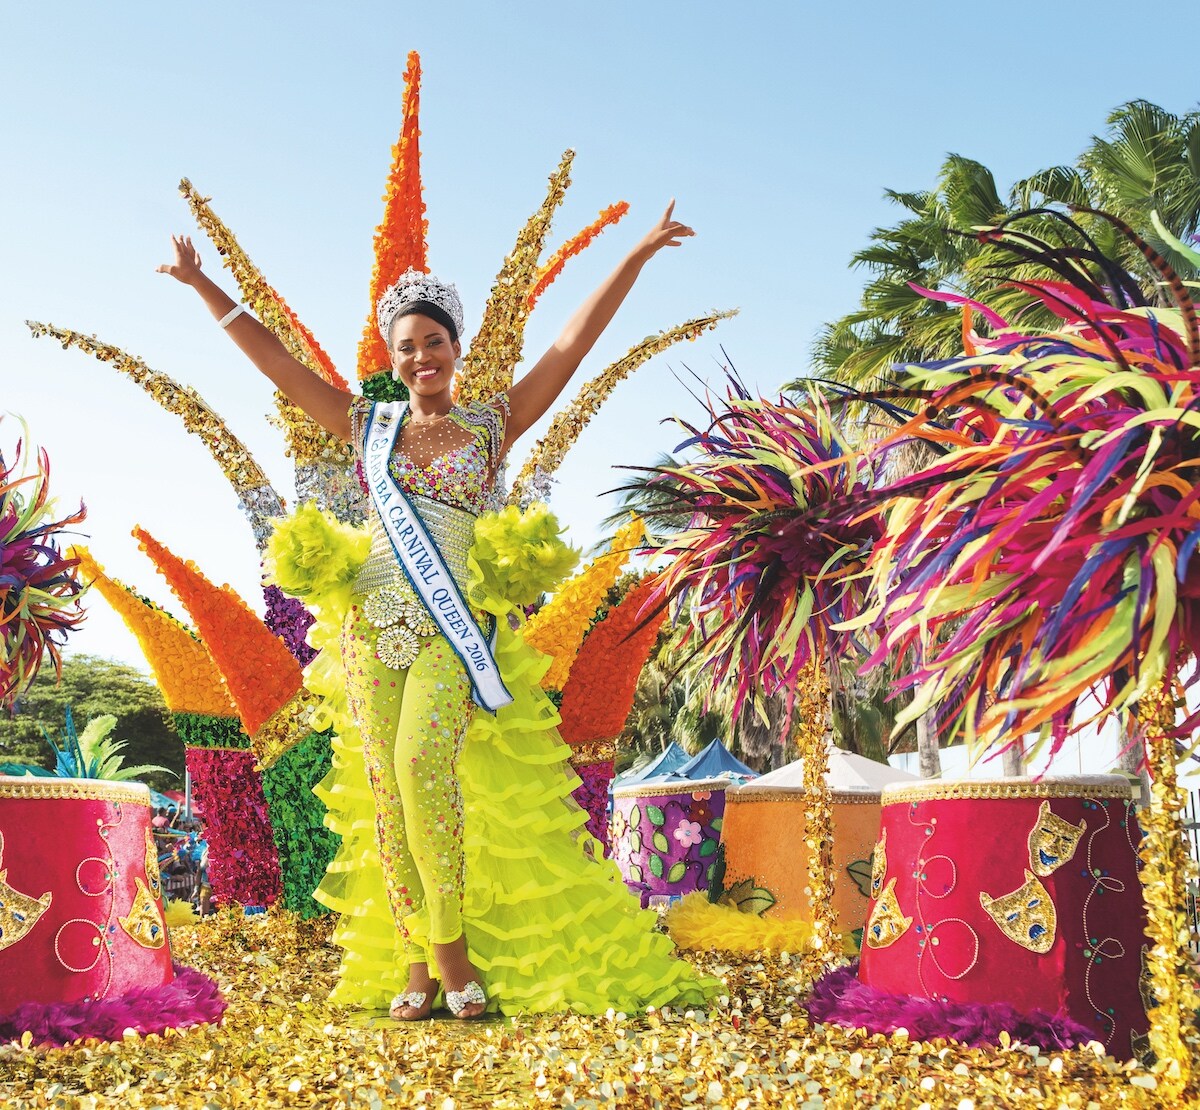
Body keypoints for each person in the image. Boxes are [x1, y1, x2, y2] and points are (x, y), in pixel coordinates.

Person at [158, 203, 709, 1020]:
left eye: (435, 342)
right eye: (407, 347)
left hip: (454, 632)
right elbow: (275, 364)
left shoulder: (492, 426)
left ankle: (451, 957)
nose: (423, 357)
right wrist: (205, 286)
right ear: (395, 358)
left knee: (423, 769)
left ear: (456, 349)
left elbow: (570, 345)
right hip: (371, 629)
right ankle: (416, 962)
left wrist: (636, 255)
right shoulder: (363, 424)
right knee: (387, 790)